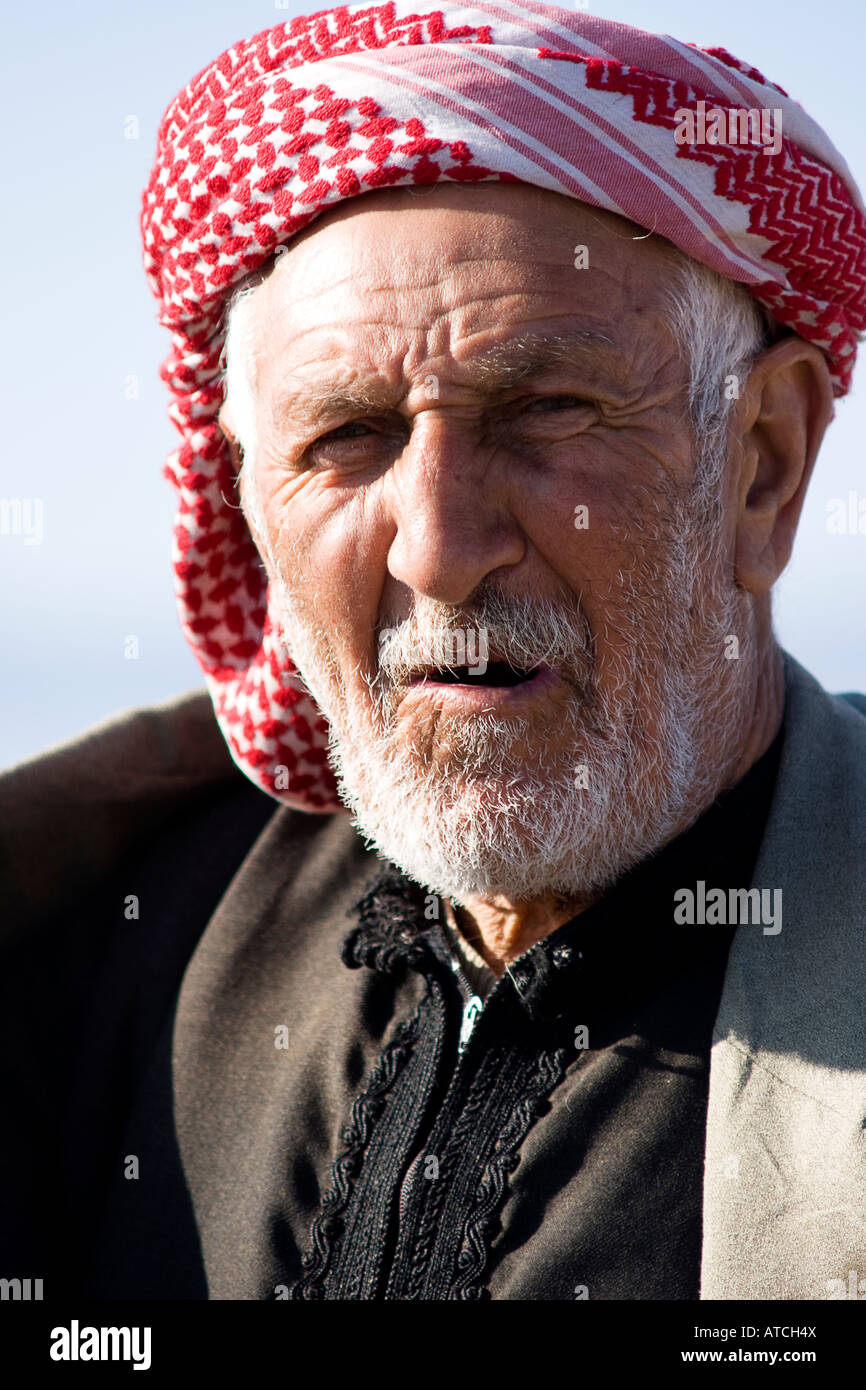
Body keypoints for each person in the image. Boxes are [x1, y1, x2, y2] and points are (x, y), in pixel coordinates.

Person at [2, 2, 865, 1302]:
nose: (438, 548)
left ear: (762, 465)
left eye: (545, 412)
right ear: (249, 496)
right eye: (344, 435)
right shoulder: (98, 944)